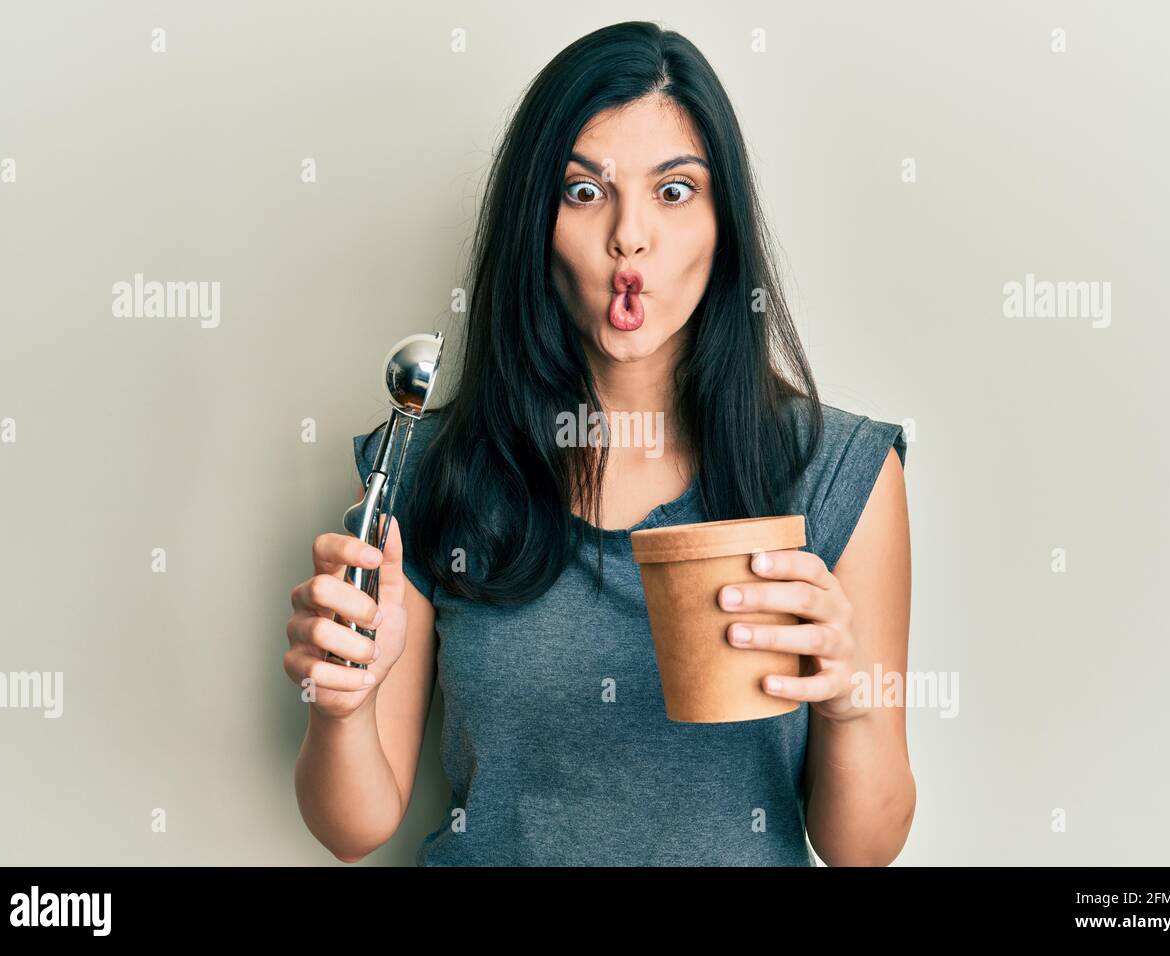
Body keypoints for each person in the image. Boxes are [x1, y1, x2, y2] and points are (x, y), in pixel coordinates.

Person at [285, 20, 914, 866]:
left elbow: (864, 849)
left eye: (675, 191)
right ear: (534, 227)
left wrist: (850, 702)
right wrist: (342, 702)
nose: (630, 237)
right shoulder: (435, 470)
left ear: (724, 225)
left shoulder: (839, 476)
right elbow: (352, 826)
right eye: (586, 192)